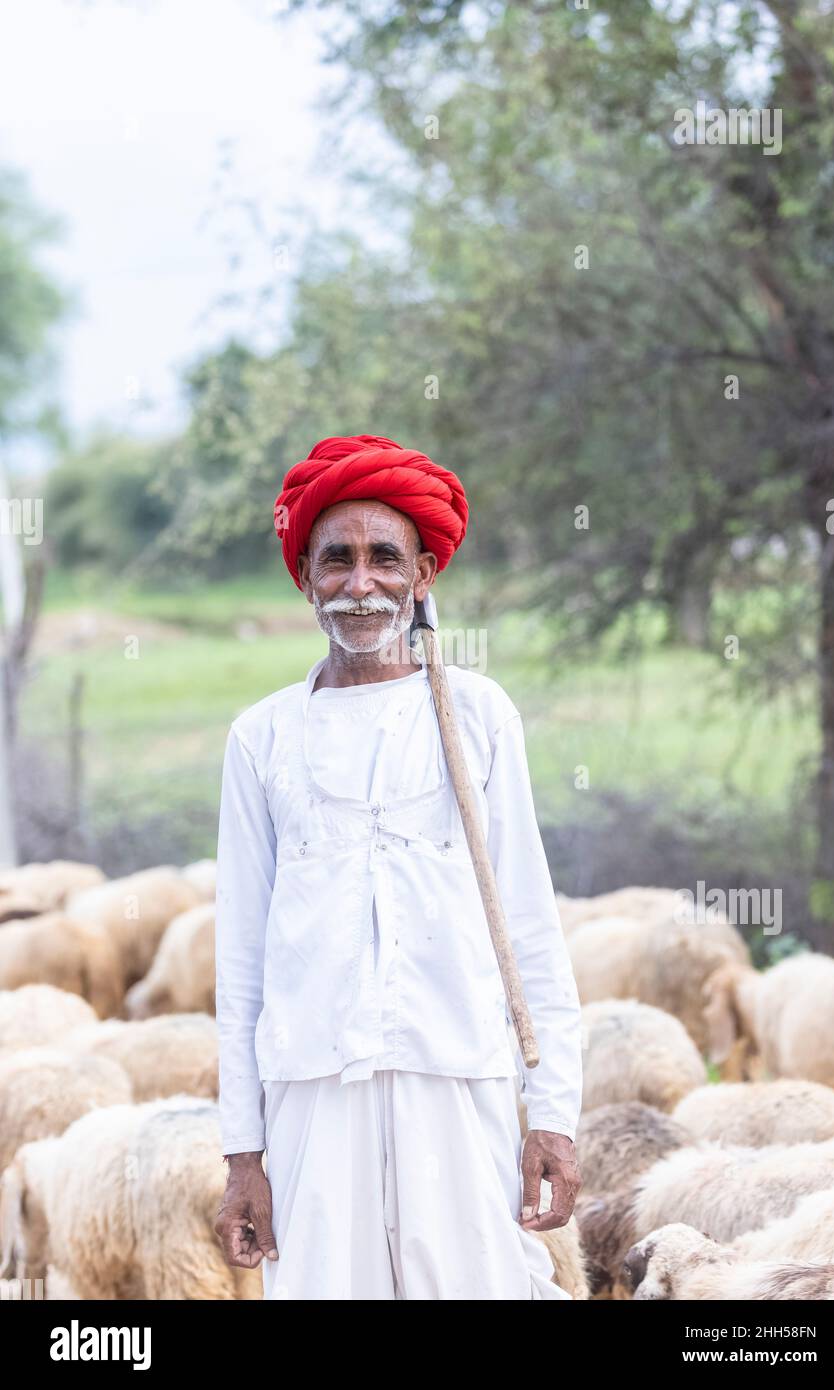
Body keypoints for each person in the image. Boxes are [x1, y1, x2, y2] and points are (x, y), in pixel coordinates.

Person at [213, 434, 584, 1299]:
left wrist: (554, 1115)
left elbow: (528, 925)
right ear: (305, 575)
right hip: (311, 1098)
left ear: (423, 575)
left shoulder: (478, 716)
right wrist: (243, 1155)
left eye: (384, 557)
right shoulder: (261, 737)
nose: (359, 582)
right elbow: (240, 968)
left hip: (458, 1082)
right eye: (335, 560)